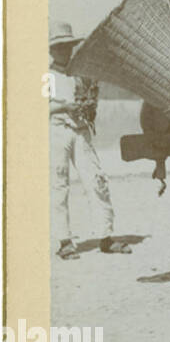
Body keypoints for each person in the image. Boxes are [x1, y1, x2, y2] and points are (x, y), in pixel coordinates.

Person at [48, 21, 132, 259]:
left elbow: (90, 101)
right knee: (58, 186)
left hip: (81, 131)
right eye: (59, 46)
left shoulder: (81, 74)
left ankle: (106, 237)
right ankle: (65, 242)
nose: (64, 50)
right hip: (57, 132)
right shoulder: (47, 76)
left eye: (67, 46)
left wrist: (88, 107)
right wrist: (64, 106)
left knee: (96, 181)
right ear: (51, 50)